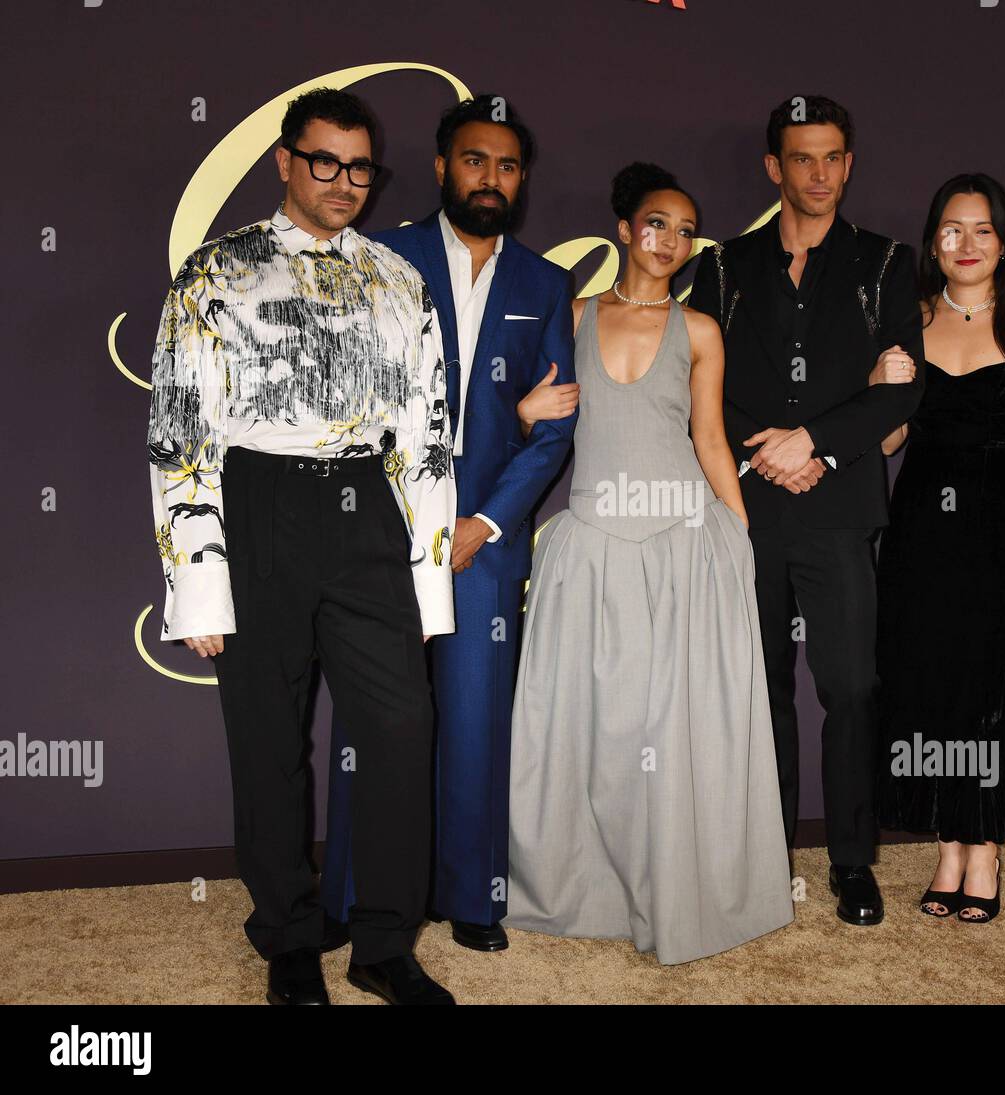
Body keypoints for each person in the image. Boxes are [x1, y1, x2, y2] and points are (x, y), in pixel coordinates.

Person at [145, 88, 457, 1003]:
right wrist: (198, 583)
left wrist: (430, 582)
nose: (343, 183)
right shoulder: (217, 271)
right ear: (284, 160)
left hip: (370, 511)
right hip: (257, 506)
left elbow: (427, 438)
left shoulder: (400, 280)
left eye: (360, 167)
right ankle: (286, 934)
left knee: (403, 730)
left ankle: (385, 944)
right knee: (269, 738)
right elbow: (180, 434)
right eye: (324, 162)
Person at [504, 163, 793, 964]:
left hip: (679, 546)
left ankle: (680, 889)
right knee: (593, 732)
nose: (671, 239)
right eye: (658, 222)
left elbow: (709, 438)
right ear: (626, 227)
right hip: (591, 545)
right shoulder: (568, 317)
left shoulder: (700, 330)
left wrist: (737, 534)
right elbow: (529, 422)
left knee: (673, 730)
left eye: (686, 228)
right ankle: (589, 893)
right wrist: (523, 410)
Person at [321, 95, 578, 953]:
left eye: (508, 166)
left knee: (473, 723)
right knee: (372, 722)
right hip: (384, 531)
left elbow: (556, 432)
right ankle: (356, 894)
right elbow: (350, 396)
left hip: (485, 543)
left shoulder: (545, 284)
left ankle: (472, 895)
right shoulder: (381, 256)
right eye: (476, 160)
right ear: (442, 167)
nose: (492, 178)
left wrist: (485, 521)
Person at [688, 96, 924, 925]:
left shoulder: (890, 263)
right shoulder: (723, 266)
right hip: (747, 507)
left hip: (839, 505)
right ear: (773, 168)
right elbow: (701, 386)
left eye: (832, 157)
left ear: (848, 164)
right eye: (801, 159)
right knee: (760, 688)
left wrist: (816, 443)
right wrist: (771, 448)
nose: (818, 174)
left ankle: (853, 862)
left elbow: (903, 388)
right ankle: (765, 849)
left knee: (852, 688)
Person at [874, 173, 1005, 922]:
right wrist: (881, 385)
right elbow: (893, 438)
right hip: (918, 533)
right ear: (934, 241)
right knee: (927, 686)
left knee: (988, 697)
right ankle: (947, 846)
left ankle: (984, 848)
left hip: (998, 531)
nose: (965, 245)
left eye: (981, 230)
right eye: (950, 230)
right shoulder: (908, 317)